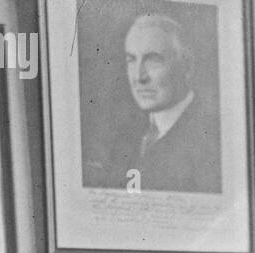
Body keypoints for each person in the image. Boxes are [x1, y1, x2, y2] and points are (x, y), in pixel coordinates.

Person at [92, 13, 221, 194]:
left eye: (153, 60)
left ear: (187, 66)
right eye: (131, 60)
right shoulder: (126, 136)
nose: (139, 77)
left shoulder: (214, 138)